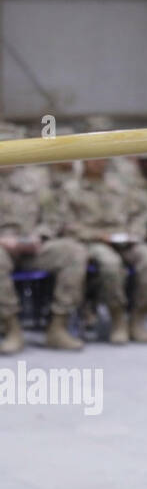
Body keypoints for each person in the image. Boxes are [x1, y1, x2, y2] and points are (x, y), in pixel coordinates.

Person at [0, 122, 88, 353]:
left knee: (74, 252)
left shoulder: (38, 179)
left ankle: (58, 327)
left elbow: (53, 217)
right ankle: (12, 328)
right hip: (2, 248)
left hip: (33, 247)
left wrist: (38, 236)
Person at [57, 158, 147, 344]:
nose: (98, 162)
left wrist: (136, 232)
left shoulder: (122, 185)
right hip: (92, 240)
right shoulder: (70, 189)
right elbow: (66, 224)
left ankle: (139, 318)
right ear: (84, 161)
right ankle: (118, 317)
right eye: (93, 158)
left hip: (125, 237)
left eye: (102, 157)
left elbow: (143, 212)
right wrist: (97, 235)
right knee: (110, 264)